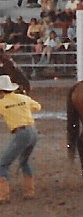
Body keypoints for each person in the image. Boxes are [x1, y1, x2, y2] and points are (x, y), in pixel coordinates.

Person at [0, 74, 40, 202]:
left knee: (3, 164)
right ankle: (30, 191)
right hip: (33, 132)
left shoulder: (1, 103)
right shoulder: (23, 98)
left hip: (21, 134)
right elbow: (37, 107)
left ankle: (3, 195)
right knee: (24, 161)